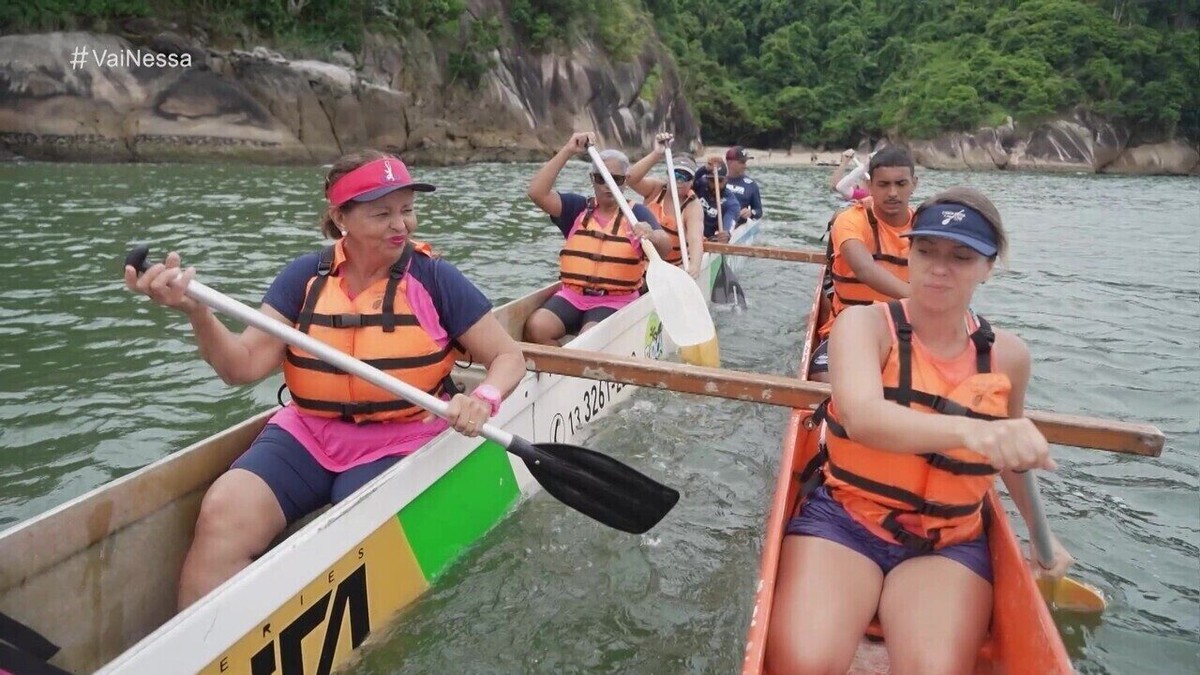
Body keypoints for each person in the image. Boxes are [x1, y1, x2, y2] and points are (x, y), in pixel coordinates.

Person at [124, 150, 527, 610]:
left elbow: (508, 357)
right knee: (223, 510)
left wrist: (485, 398)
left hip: (401, 437)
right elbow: (240, 367)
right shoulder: (305, 277)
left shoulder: (435, 279)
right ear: (341, 218)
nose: (403, 226)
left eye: (408, 210)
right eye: (382, 213)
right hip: (308, 433)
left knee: (351, 540)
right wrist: (199, 313)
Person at [767, 188, 1075, 675]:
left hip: (948, 540)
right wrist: (976, 434)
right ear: (908, 252)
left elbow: (1012, 458)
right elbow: (865, 417)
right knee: (803, 665)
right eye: (926, 250)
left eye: (961, 256)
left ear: (989, 266)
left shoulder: (1009, 356)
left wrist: (1042, 541)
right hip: (848, 520)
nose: (938, 267)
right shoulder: (862, 326)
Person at [524, 132, 673, 345]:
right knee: (536, 327)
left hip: (616, 299)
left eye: (617, 179)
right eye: (602, 178)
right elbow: (536, 192)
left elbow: (665, 247)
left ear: (626, 181)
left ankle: (572, 364)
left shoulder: (636, 214)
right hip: (572, 296)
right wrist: (568, 150)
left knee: (588, 338)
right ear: (592, 179)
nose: (608, 185)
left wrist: (651, 234)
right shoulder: (575, 208)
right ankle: (562, 369)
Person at [811, 146, 918, 383]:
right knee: (823, 378)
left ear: (914, 184)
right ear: (870, 186)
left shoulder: (925, 226)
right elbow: (865, 270)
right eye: (883, 185)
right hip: (850, 330)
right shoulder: (850, 220)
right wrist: (922, 300)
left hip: (907, 330)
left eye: (901, 184)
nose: (892, 193)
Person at [625, 132, 705, 278]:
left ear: (692, 181)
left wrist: (695, 266)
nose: (679, 181)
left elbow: (695, 238)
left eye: (685, 177)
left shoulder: (692, 206)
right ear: (668, 174)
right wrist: (656, 154)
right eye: (676, 175)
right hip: (640, 261)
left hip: (668, 268)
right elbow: (629, 179)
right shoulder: (655, 188)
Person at [692, 158, 741, 242]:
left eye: (720, 180)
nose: (715, 185)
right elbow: (688, 178)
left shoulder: (732, 203)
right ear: (706, 179)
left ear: (726, 179)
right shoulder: (700, 185)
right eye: (712, 180)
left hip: (709, 238)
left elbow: (729, 223)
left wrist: (726, 234)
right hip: (691, 231)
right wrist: (704, 169)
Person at [722, 146, 764, 223]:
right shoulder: (717, 180)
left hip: (737, 226)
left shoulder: (751, 185)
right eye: (742, 163)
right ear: (729, 162)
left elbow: (759, 211)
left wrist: (750, 212)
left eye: (745, 162)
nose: (745, 166)